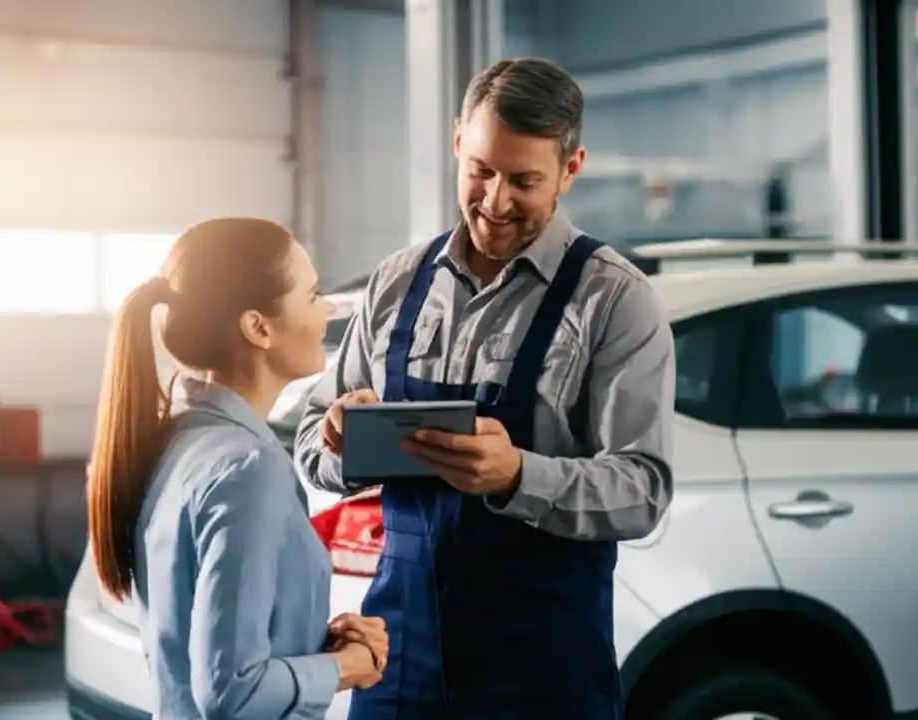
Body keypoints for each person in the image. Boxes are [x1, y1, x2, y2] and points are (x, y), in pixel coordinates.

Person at [295, 58, 675, 718]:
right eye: (480, 170)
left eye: (523, 180)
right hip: (397, 656)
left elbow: (643, 489)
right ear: (456, 144)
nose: (495, 201)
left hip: (542, 671)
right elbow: (311, 448)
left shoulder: (614, 299)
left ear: (570, 168)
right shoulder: (396, 282)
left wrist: (516, 476)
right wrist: (338, 442)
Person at [86, 218, 390, 719]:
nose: (329, 309)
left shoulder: (179, 439)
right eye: (313, 296)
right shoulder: (249, 469)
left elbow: (204, 639)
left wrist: (320, 644)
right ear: (258, 327)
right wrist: (347, 668)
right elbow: (232, 693)